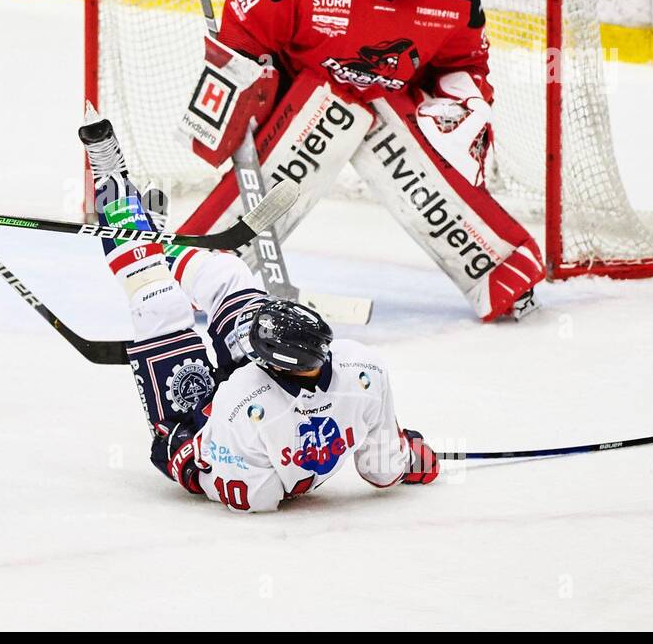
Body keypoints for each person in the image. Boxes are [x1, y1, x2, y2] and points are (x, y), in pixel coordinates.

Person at [181, 0, 543, 322]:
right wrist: (245, 78)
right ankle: (197, 274)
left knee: (429, 187)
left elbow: (463, 63)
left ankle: (501, 272)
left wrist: (463, 105)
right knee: (281, 182)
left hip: (386, 97)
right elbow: (244, 9)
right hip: (309, 90)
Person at [83, 118, 438, 510]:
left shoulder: (241, 403)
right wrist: (410, 458)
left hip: (206, 427)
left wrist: (187, 456)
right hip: (260, 402)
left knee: (157, 299)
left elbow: (248, 495)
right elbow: (382, 468)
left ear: (270, 362)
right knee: (228, 274)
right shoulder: (363, 369)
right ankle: (152, 240)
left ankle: (114, 187)